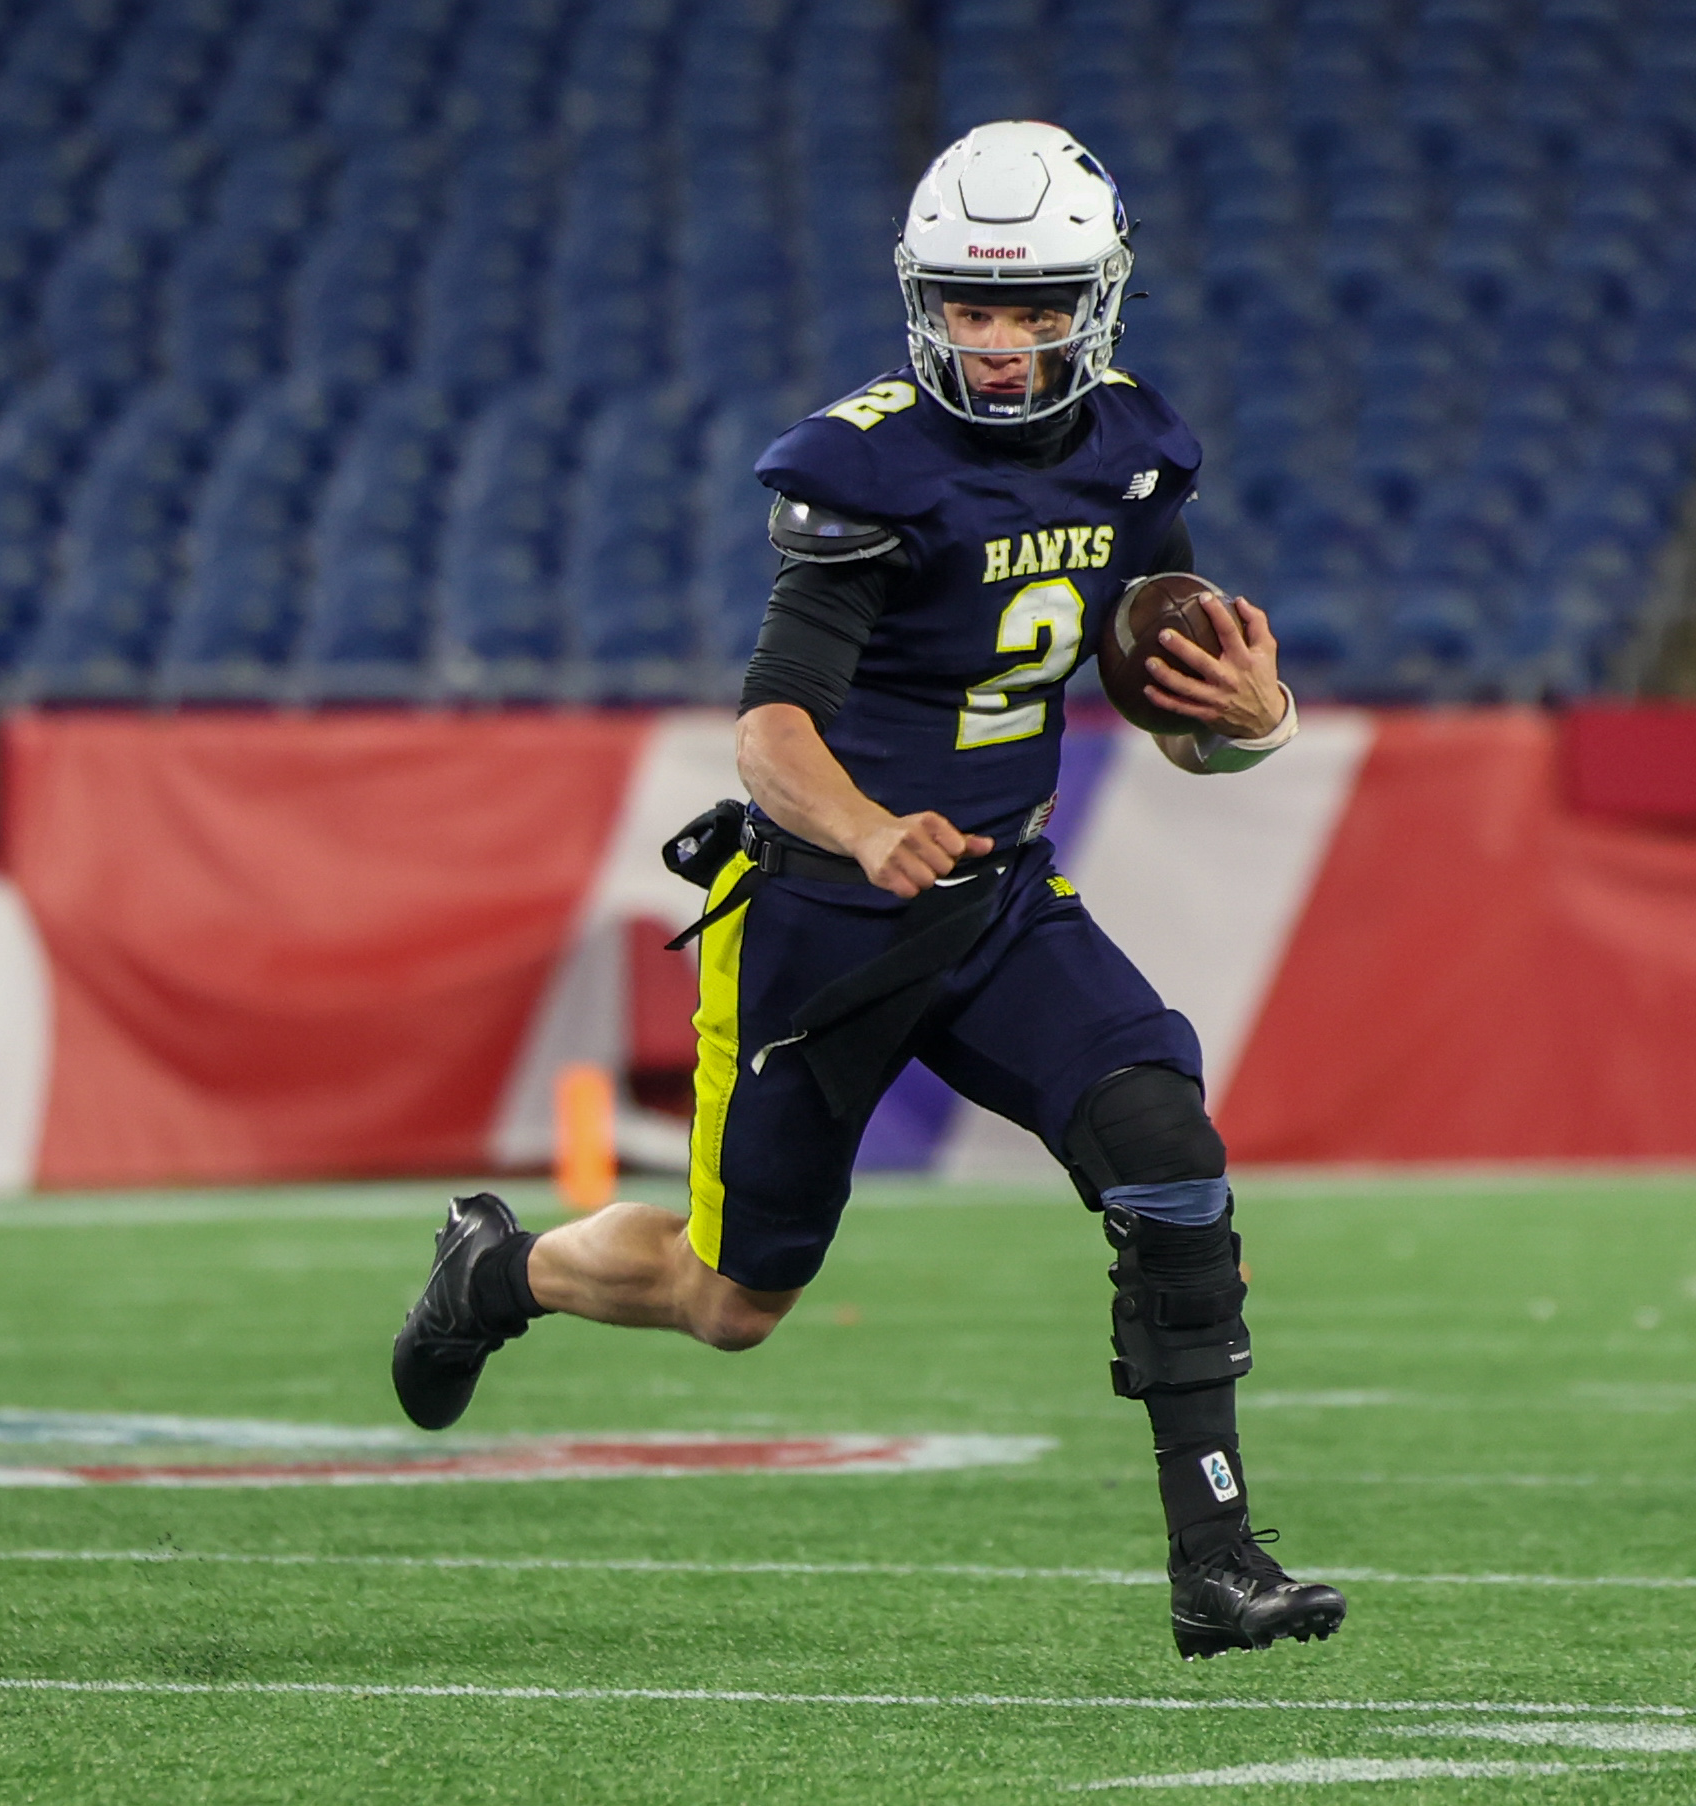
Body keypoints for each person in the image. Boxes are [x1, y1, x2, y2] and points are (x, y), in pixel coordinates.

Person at [392, 122, 1346, 1661]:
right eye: (972, 306)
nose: (1002, 338)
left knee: (1168, 1148)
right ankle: (499, 1269)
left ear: (1093, 303)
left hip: (998, 904)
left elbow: (1176, 704)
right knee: (731, 1301)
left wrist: (1257, 725)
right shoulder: (865, 465)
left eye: (1034, 306)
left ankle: (1217, 1563)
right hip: (823, 926)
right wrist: (865, 827)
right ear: (925, 304)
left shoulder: (1136, 451)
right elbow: (771, 730)